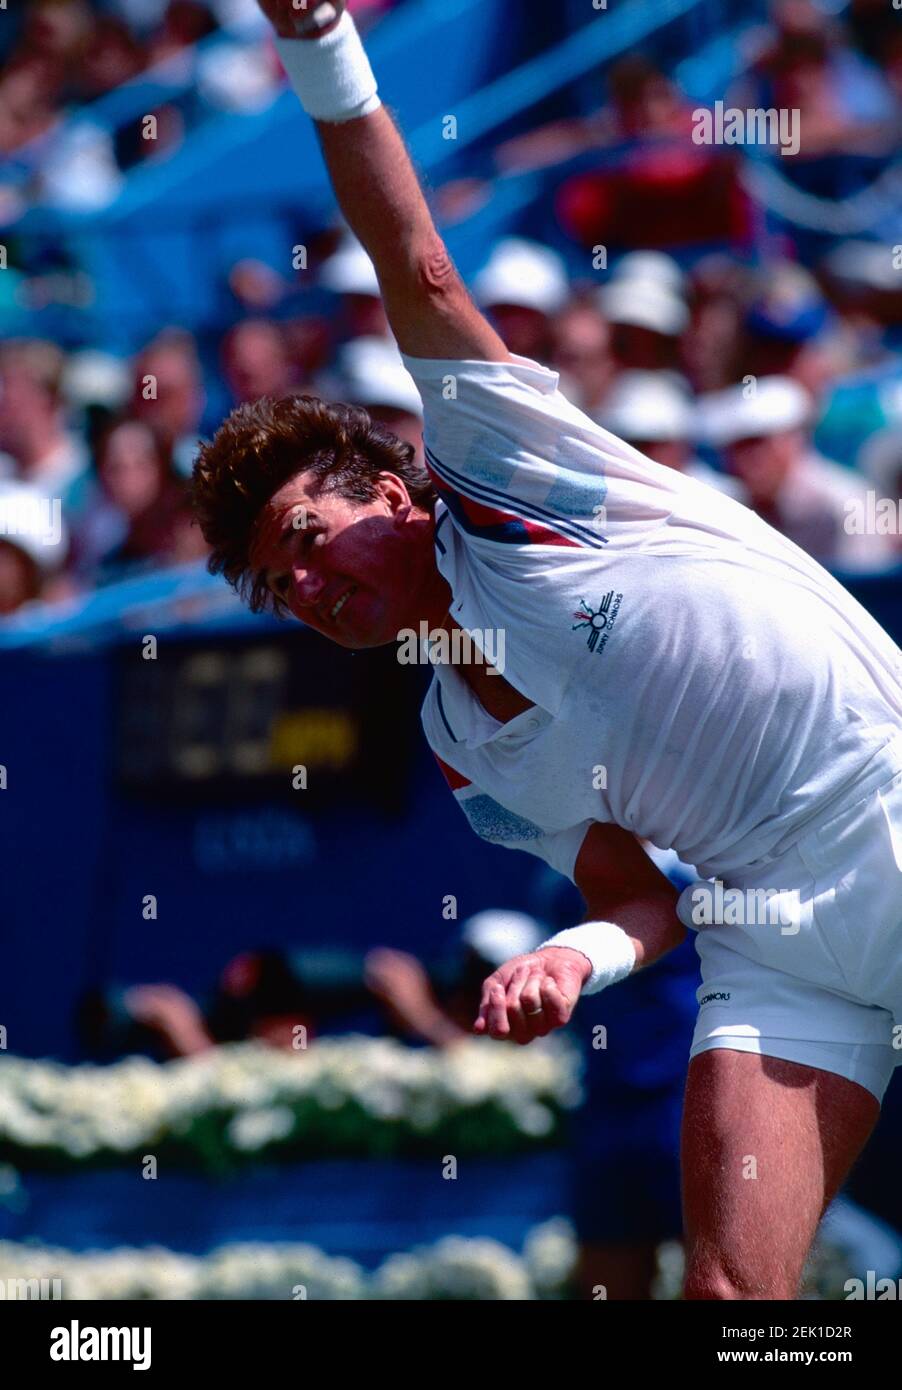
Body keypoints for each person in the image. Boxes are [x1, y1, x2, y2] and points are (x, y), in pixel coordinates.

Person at [192, 1, 902, 1301]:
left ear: (391, 486)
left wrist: (319, 50)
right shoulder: (461, 745)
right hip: (781, 951)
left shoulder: (506, 474)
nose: (298, 581)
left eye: (305, 531)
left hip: (889, 807)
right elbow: (639, 900)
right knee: (733, 1304)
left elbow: (417, 260)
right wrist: (573, 956)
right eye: (270, 580)